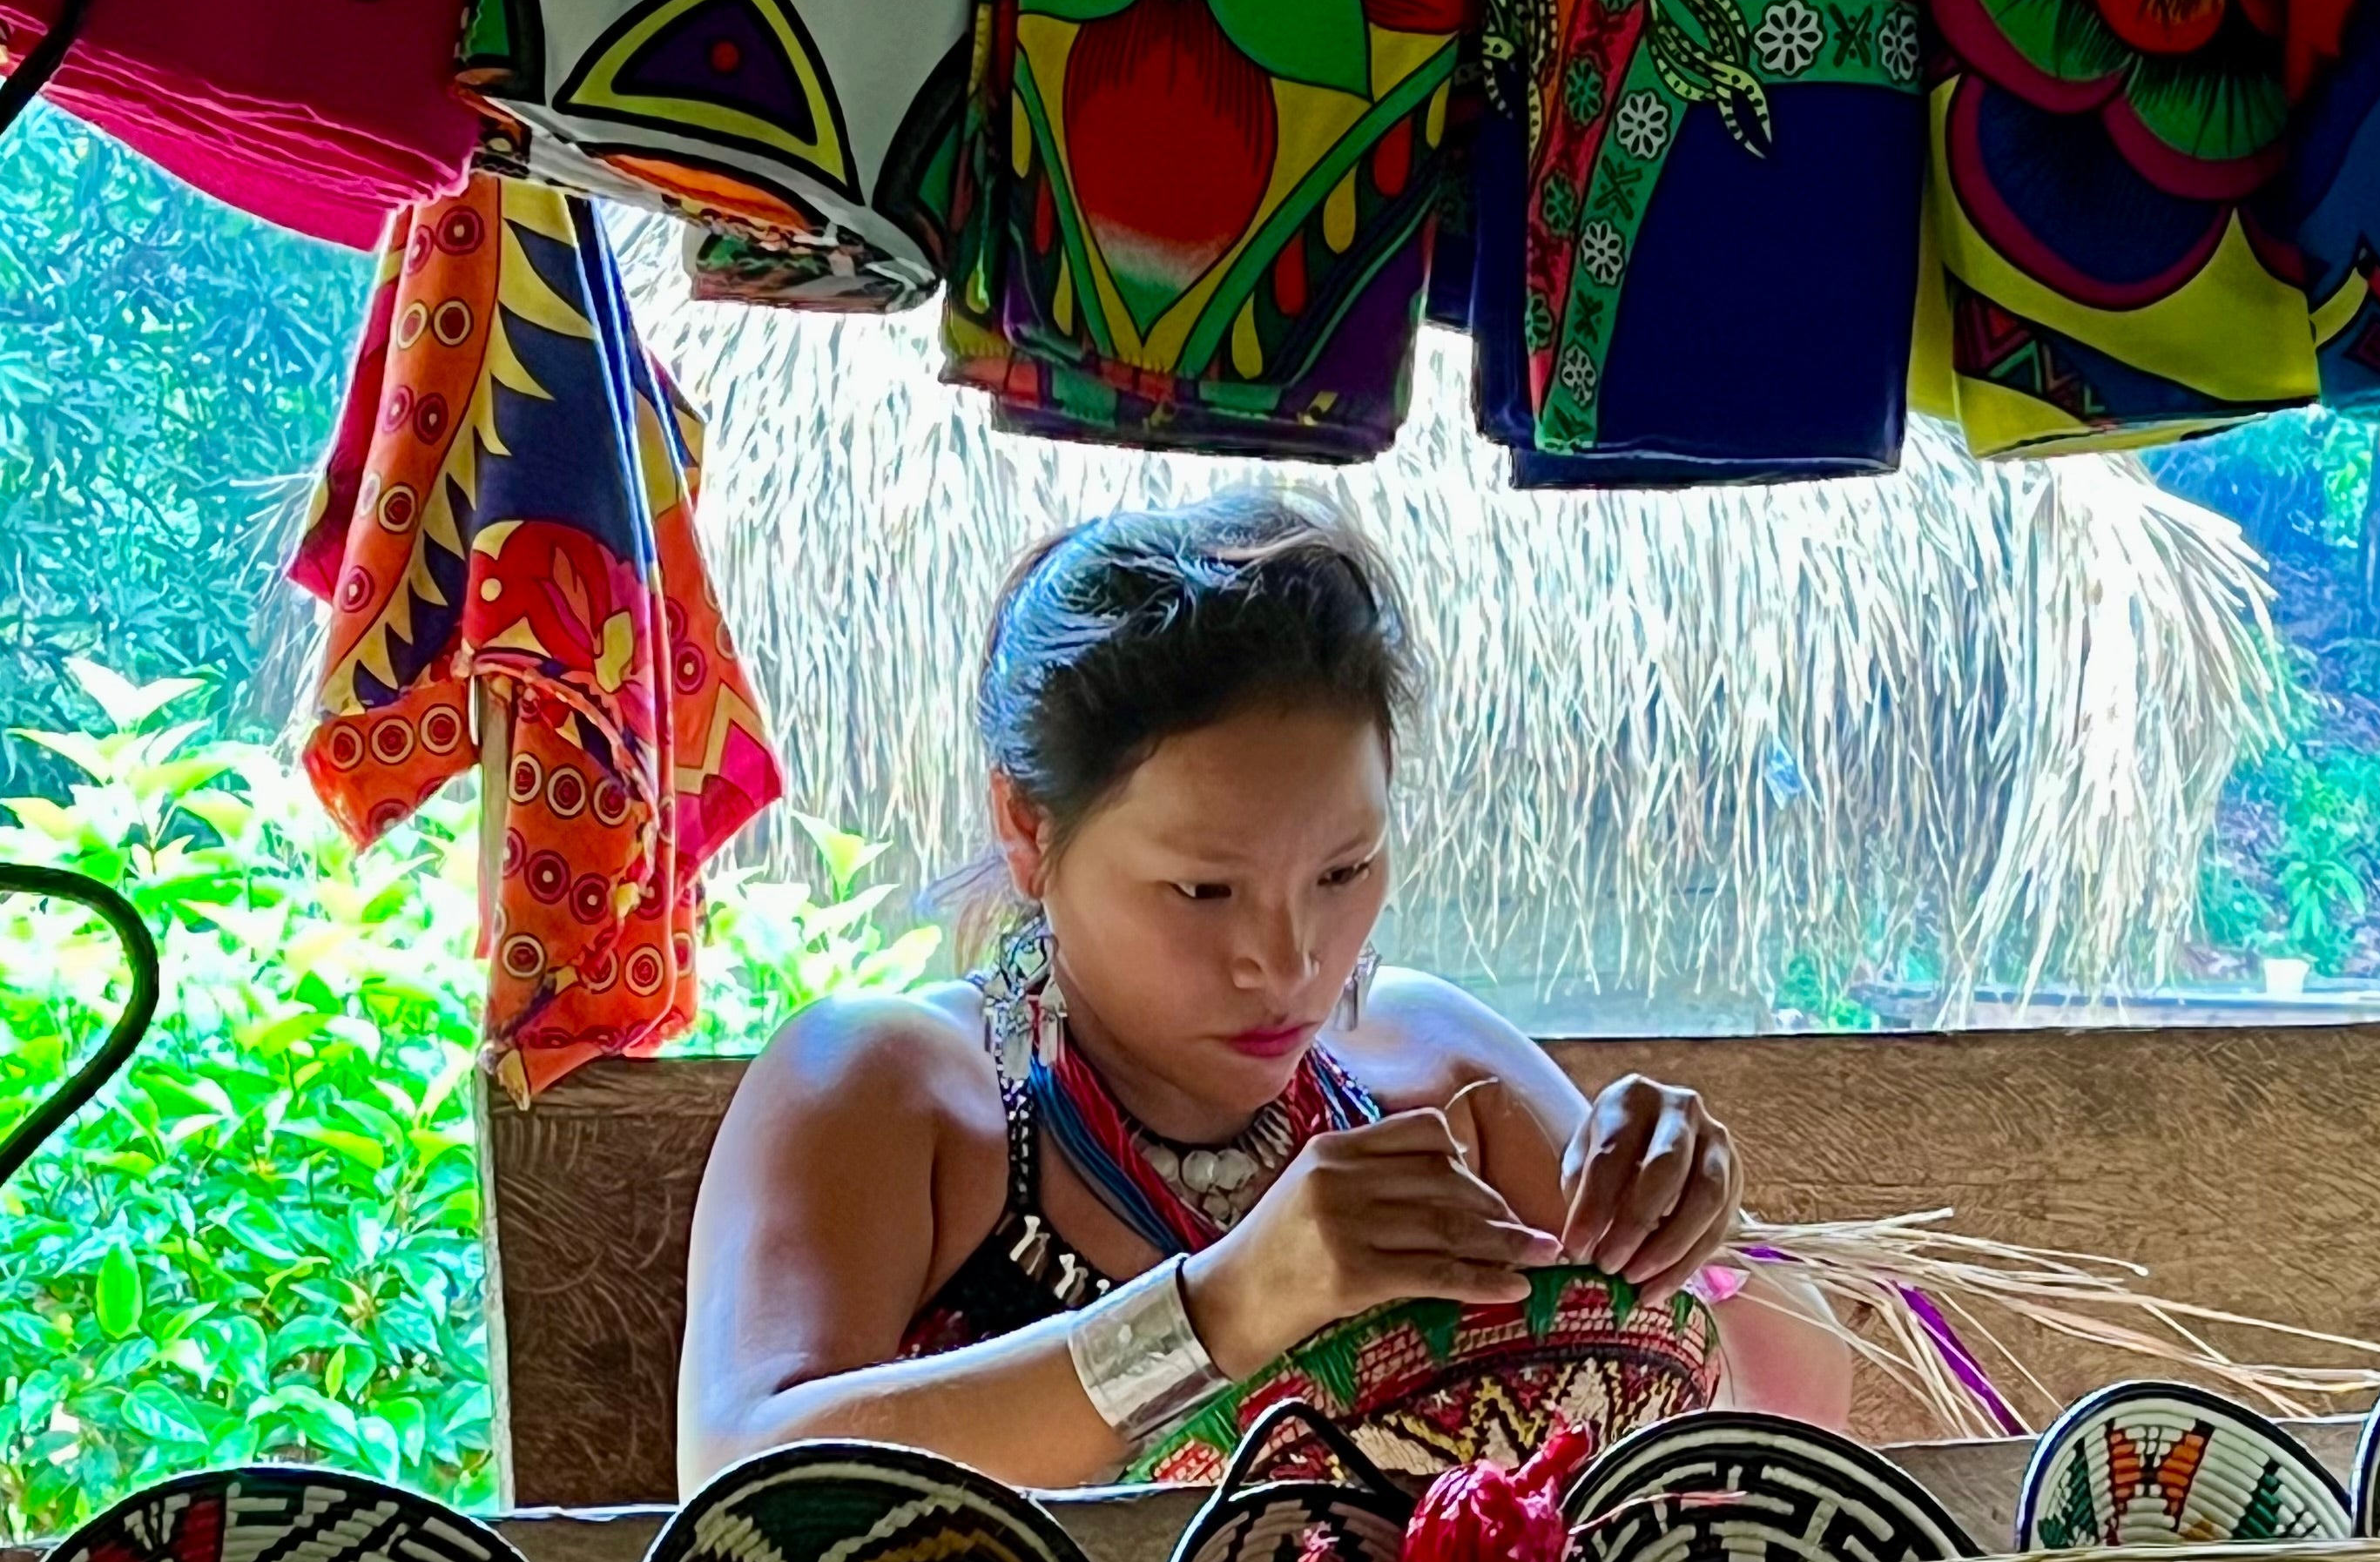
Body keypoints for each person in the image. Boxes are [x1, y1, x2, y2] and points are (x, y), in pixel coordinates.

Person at [681, 493, 1851, 1491]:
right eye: (1203, 890)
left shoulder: (1439, 1077)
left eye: (1344, 872)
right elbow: (740, 1478)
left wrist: (1701, 1238)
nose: (1288, 961)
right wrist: (1221, 1308)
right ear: (1029, 828)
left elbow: (1790, 1417)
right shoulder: (894, 1095)